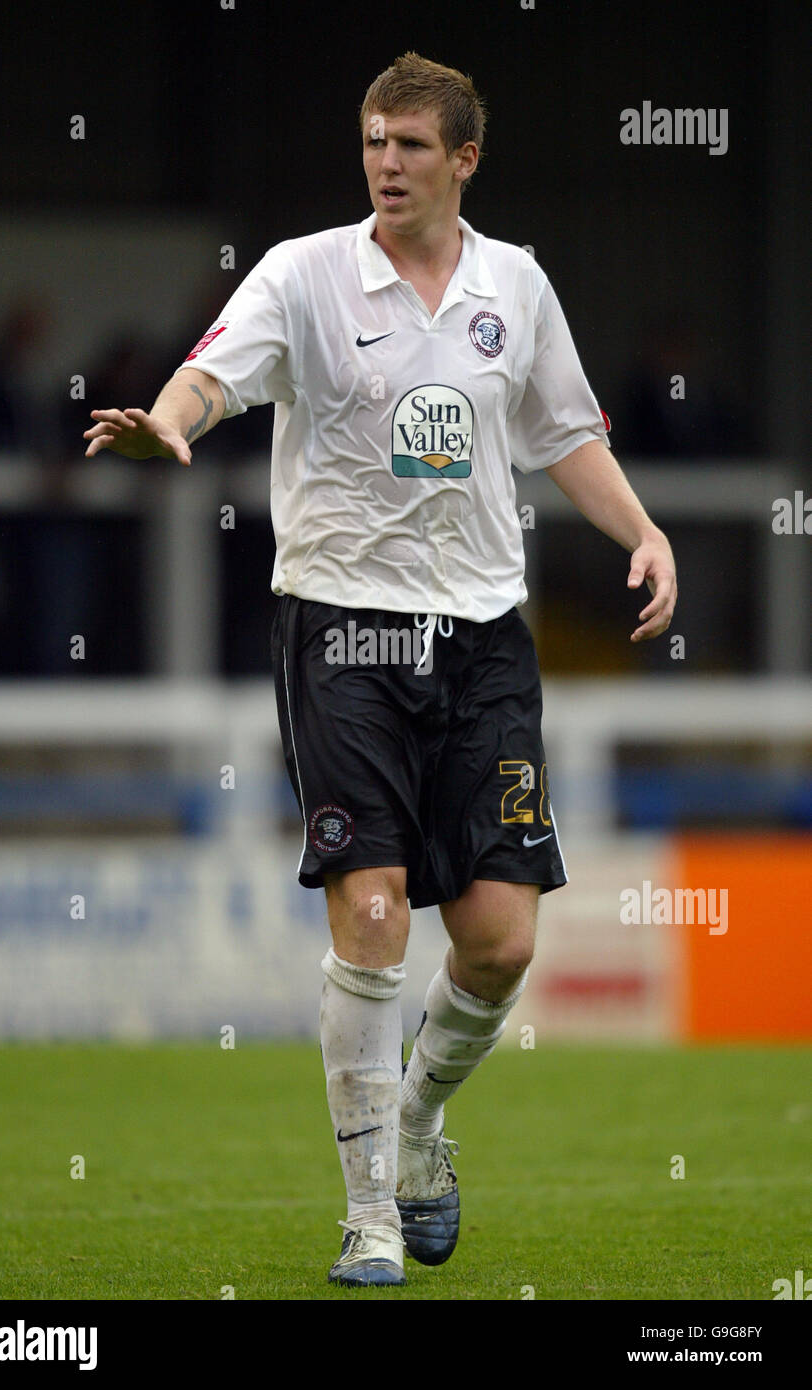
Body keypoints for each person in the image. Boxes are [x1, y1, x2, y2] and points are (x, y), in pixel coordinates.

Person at [84, 52, 677, 1289]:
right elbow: (211, 373)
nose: (386, 164)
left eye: (410, 145)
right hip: (342, 629)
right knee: (369, 911)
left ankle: (415, 1125)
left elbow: (562, 431)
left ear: (464, 159)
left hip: (482, 636)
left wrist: (641, 531)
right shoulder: (304, 272)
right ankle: (367, 1217)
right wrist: (169, 425)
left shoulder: (515, 285)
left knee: (500, 942)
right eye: (372, 141)